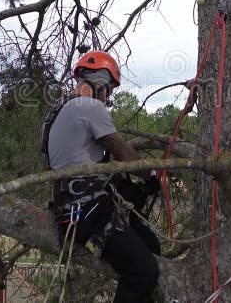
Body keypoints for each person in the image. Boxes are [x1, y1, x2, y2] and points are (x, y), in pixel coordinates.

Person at [42, 50, 160, 303]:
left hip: (78, 206)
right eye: (109, 90)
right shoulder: (89, 106)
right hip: (88, 211)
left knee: (151, 245)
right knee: (143, 272)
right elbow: (123, 154)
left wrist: (136, 190)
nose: (108, 97)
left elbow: (99, 162)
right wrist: (150, 174)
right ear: (100, 84)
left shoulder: (61, 110)